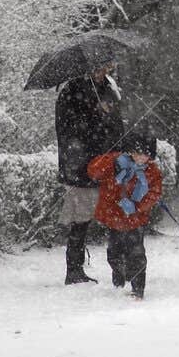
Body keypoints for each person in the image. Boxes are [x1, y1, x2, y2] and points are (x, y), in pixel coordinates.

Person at [55, 61, 125, 285]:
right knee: (81, 219)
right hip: (80, 165)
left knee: (117, 217)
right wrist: (96, 113)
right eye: (98, 68)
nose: (102, 72)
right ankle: (74, 270)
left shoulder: (109, 89)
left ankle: (119, 268)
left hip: (107, 162)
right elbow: (67, 128)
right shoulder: (70, 91)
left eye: (106, 68)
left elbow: (116, 125)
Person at [86, 132, 163, 299]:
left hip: (135, 219)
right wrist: (111, 161)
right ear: (129, 152)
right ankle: (119, 281)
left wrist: (137, 206)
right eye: (137, 153)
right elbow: (93, 171)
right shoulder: (115, 163)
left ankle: (137, 288)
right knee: (114, 253)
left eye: (146, 154)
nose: (141, 158)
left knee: (136, 254)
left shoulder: (151, 171)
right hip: (114, 217)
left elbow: (154, 193)